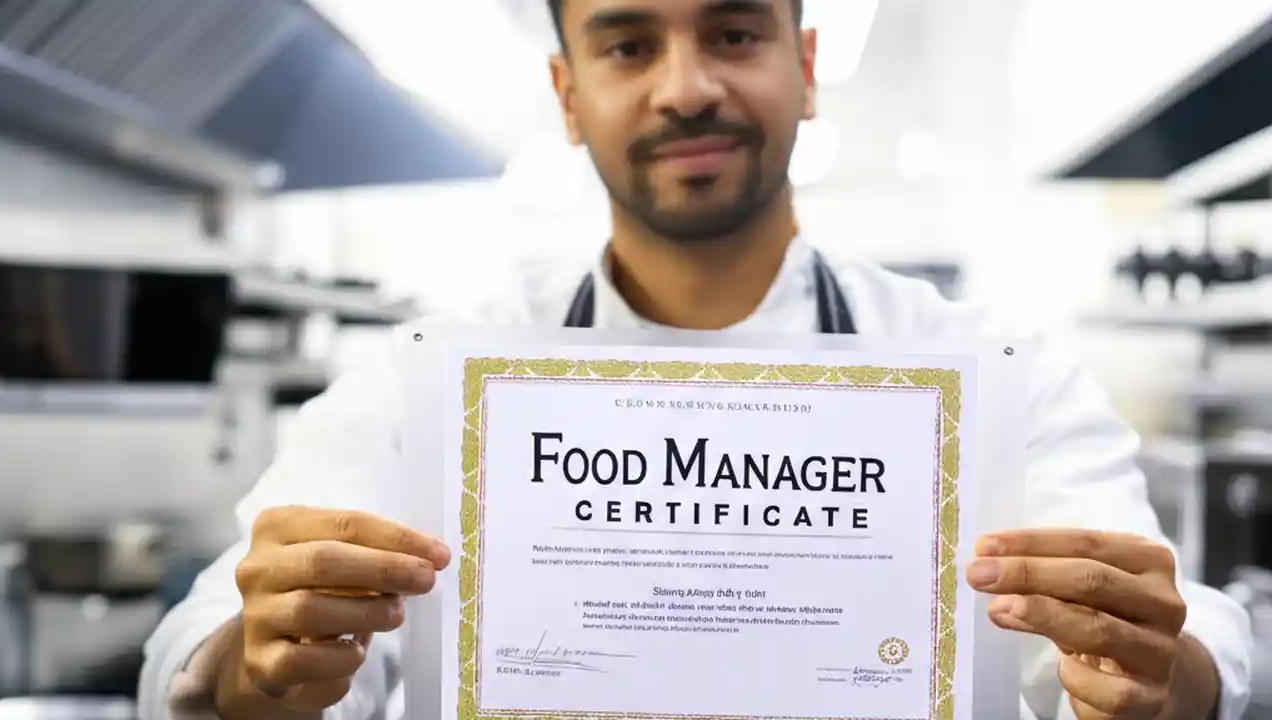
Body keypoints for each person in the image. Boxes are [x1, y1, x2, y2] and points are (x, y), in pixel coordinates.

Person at [138, 0, 1253, 718]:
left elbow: (1182, 639)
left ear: (805, 67)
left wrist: (1162, 675)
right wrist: (255, 662)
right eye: (628, 43)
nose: (685, 88)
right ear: (569, 97)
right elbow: (189, 661)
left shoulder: (984, 371)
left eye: (732, 32)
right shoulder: (423, 383)